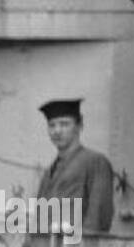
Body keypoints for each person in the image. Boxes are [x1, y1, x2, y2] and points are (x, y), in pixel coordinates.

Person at [34, 99, 114, 234]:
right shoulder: (48, 172)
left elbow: (98, 216)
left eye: (64, 124)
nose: (57, 131)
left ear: (79, 125)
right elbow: (39, 220)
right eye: (52, 125)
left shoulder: (95, 162)